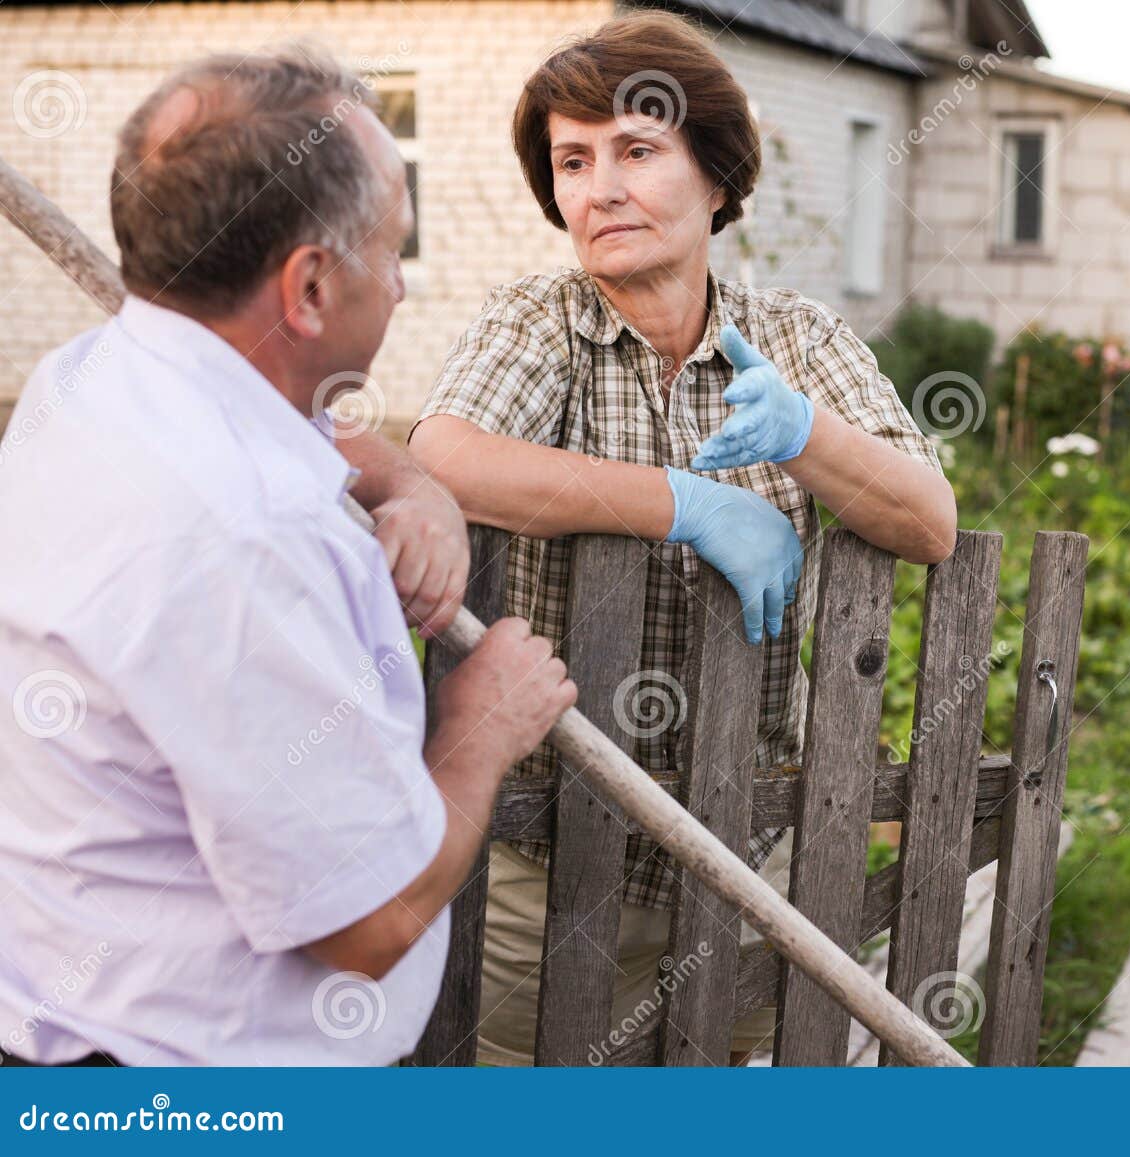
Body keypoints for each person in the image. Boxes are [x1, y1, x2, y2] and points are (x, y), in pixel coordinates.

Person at [0, 48, 576, 1065]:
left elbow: (296, 431)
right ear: (309, 285)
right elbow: (366, 923)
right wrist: (481, 729)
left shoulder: (86, 379)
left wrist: (412, 481)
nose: (400, 282)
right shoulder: (242, 542)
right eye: (393, 248)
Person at [407, 11, 957, 1065]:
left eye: (637, 150)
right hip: (542, 850)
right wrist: (682, 500)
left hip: (748, 848)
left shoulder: (796, 337)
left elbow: (925, 520)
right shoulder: (542, 321)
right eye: (573, 160)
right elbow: (444, 454)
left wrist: (803, 431)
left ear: (716, 176)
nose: (600, 187)